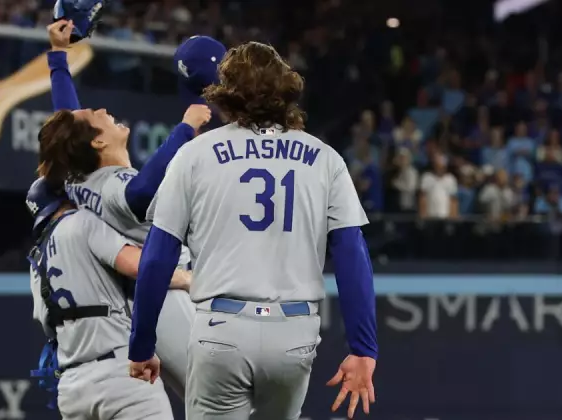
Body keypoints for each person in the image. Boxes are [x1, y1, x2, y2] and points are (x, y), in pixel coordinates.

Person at [128, 42, 378, 420]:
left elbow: (157, 258)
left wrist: (142, 344)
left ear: (224, 94)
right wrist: (364, 349)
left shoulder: (195, 155)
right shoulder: (325, 158)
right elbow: (351, 256)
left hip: (220, 329)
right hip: (293, 333)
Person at [38, 19, 223, 397]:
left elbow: (68, 116)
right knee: (219, 398)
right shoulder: (111, 186)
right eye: (97, 117)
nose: (103, 109)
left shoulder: (79, 179)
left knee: (220, 399)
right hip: (167, 298)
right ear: (95, 144)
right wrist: (184, 129)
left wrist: (58, 56)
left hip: (157, 295)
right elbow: (139, 194)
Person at [25, 178, 192, 419]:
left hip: (72, 388)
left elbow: (44, 323)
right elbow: (143, 267)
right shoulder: (80, 222)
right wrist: (188, 279)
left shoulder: (35, 260)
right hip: (119, 374)